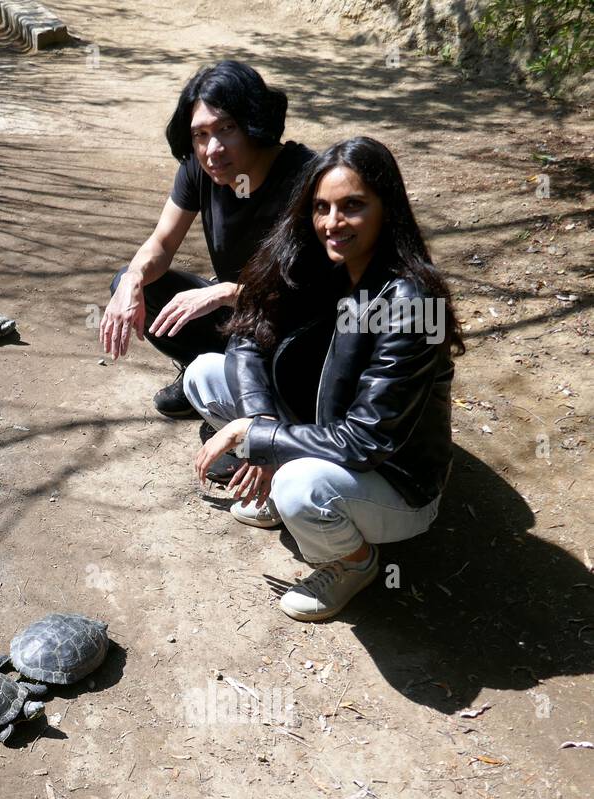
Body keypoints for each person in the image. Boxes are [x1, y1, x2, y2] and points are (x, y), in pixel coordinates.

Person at [187, 136, 463, 621]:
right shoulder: (319, 263)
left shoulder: (413, 303)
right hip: (324, 425)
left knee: (299, 484)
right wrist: (261, 420)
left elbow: (368, 439)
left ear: (386, 207)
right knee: (206, 374)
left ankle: (354, 562)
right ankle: (280, 491)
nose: (333, 223)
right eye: (321, 208)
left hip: (396, 478)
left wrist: (261, 438)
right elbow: (249, 335)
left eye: (352, 206)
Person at [98, 60, 315, 423]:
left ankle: (256, 407)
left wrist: (227, 292)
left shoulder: (308, 180)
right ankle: (202, 370)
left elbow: (314, 294)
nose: (213, 148)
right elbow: (162, 244)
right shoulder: (199, 169)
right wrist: (134, 279)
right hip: (239, 314)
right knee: (133, 283)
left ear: (254, 122)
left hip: (292, 326)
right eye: (200, 135)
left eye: (226, 128)